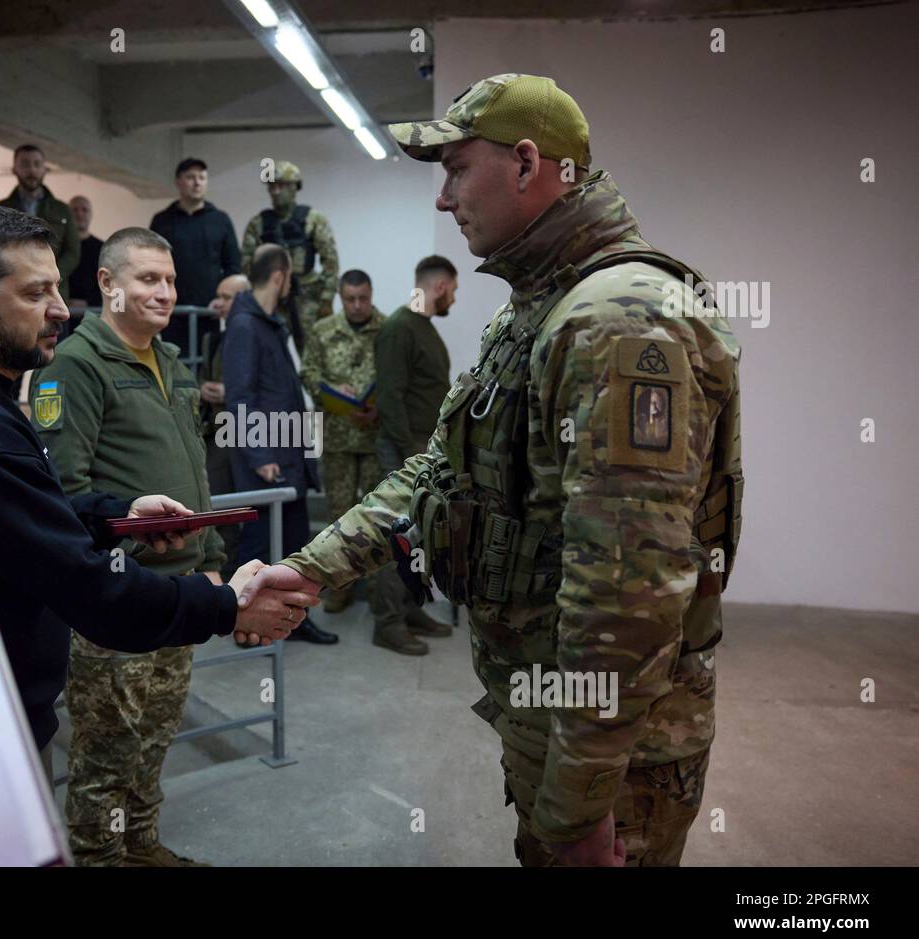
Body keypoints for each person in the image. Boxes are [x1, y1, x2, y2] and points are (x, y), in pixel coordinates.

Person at [240, 74, 743, 867]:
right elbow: (441, 470)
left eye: (455, 169)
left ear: (527, 164)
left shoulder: (615, 318)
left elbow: (626, 592)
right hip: (550, 715)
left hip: (616, 758)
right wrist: (308, 569)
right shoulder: (539, 306)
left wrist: (579, 809)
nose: (443, 199)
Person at [0, 204, 321, 786]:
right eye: (35, 294)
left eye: (57, 287)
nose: (61, 308)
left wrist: (118, 516)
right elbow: (90, 589)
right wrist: (226, 603)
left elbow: (33, 509)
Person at [27, 227, 228, 868]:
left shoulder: (169, 362)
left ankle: (141, 844)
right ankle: (99, 858)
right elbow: (65, 493)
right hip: (118, 598)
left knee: (155, 736)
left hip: (180, 591)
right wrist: (137, 552)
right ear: (107, 284)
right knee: (107, 749)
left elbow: (194, 469)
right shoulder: (73, 368)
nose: (165, 292)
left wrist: (213, 559)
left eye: (169, 280)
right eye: (148, 279)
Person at [222, 244, 336, 646]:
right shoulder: (244, 326)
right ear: (279, 276)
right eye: (290, 277)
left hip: (287, 456)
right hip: (268, 463)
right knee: (258, 549)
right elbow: (238, 398)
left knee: (294, 546)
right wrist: (259, 456)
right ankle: (244, 623)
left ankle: (293, 621)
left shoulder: (268, 323)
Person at [367, 255, 458, 654]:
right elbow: (389, 396)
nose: (454, 297)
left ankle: (409, 609)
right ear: (439, 286)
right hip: (405, 450)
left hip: (422, 448)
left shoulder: (421, 328)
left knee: (419, 537)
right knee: (397, 538)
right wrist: (410, 455)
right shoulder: (398, 328)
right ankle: (387, 623)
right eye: (453, 289)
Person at [298, 269, 385, 615]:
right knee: (340, 519)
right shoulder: (322, 331)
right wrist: (332, 392)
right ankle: (340, 589)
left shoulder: (389, 328)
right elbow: (308, 373)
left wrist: (380, 405)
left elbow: (396, 377)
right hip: (338, 437)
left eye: (363, 298)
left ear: (371, 293)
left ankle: (381, 595)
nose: (358, 305)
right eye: (350, 299)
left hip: (376, 437)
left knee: (379, 519)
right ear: (339, 297)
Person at [240, 161, 339, 348]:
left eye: (282, 186)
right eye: (272, 187)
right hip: (272, 300)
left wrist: (326, 298)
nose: (276, 191)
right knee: (270, 352)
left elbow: (330, 261)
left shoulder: (313, 220)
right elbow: (247, 262)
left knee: (313, 354)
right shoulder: (259, 223)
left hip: (308, 299)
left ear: (295, 188)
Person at [148, 157, 241, 354]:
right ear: (178, 182)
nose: (197, 182)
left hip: (208, 311)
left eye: (202, 177)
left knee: (205, 367)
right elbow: (151, 263)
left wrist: (222, 299)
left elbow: (233, 265)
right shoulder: (162, 221)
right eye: (191, 177)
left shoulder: (220, 220)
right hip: (170, 310)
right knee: (174, 365)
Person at [199, 273, 252, 579]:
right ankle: (229, 584)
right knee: (222, 515)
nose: (217, 304)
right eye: (217, 296)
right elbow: (202, 378)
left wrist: (231, 392)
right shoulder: (213, 339)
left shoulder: (257, 336)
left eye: (226, 297)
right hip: (220, 435)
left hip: (255, 435)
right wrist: (203, 387)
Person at [0, 144, 80, 299]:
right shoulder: (1, 209)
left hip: (55, 293)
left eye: (37, 164)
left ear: (44, 169)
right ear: (14, 169)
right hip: (14, 291)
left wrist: (51, 274)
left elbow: (73, 252)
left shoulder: (62, 209)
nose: (31, 170)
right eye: (25, 164)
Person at [64, 194, 103, 331]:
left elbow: (111, 285)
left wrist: (88, 303)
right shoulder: (58, 248)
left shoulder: (102, 248)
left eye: (84, 210)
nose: (80, 214)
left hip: (92, 317)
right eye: (75, 210)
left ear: (90, 214)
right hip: (62, 317)